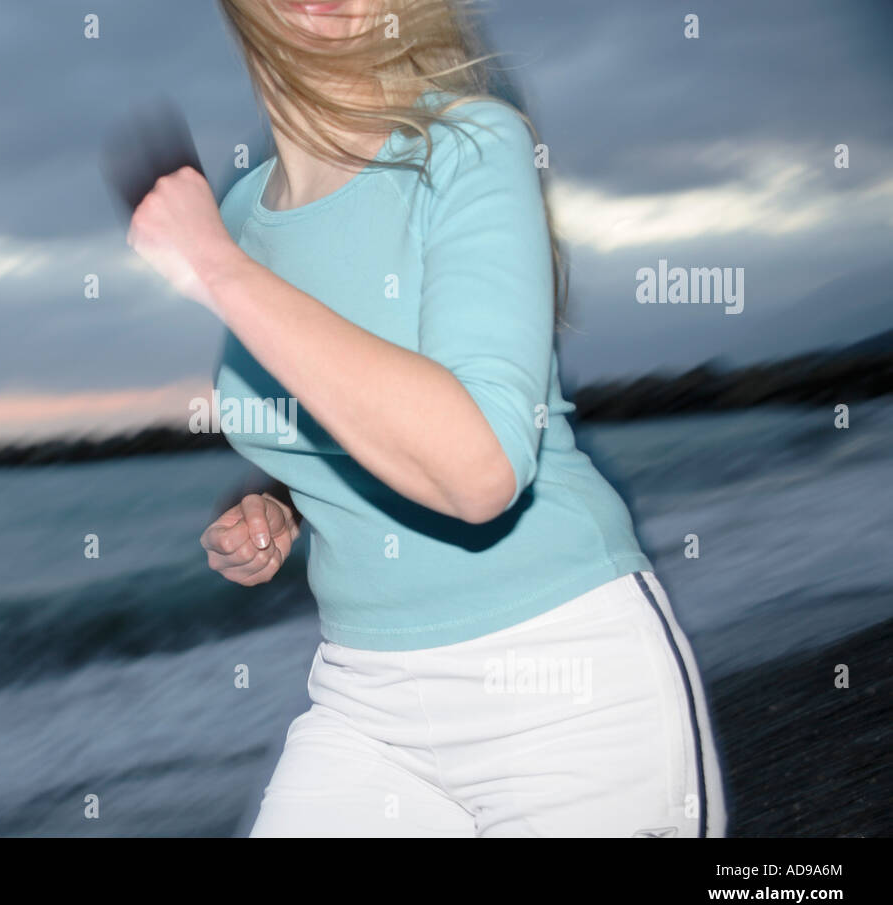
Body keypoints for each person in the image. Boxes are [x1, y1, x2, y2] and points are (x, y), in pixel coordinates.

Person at [124, 0, 727, 837]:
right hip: (364, 698)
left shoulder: (468, 143)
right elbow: (336, 405)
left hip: (565, 679)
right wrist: (287, 503)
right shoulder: (235, 216)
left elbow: (477, 470)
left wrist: (223, 274)